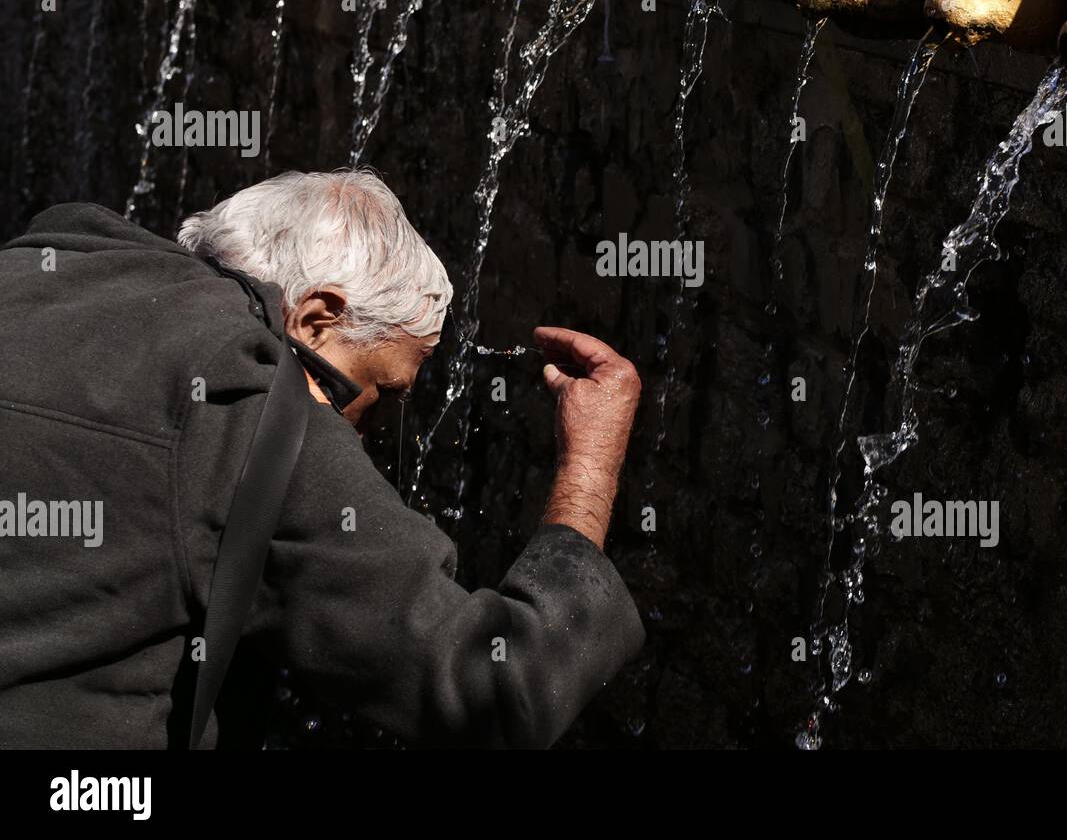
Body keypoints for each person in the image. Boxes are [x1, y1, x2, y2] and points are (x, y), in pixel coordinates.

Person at [0, 170, 644, 749]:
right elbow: (502, 692)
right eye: (378, 396)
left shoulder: (40, 271)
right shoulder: (251, 413)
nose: (361, 437)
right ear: (313, 321)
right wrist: (590, 464)